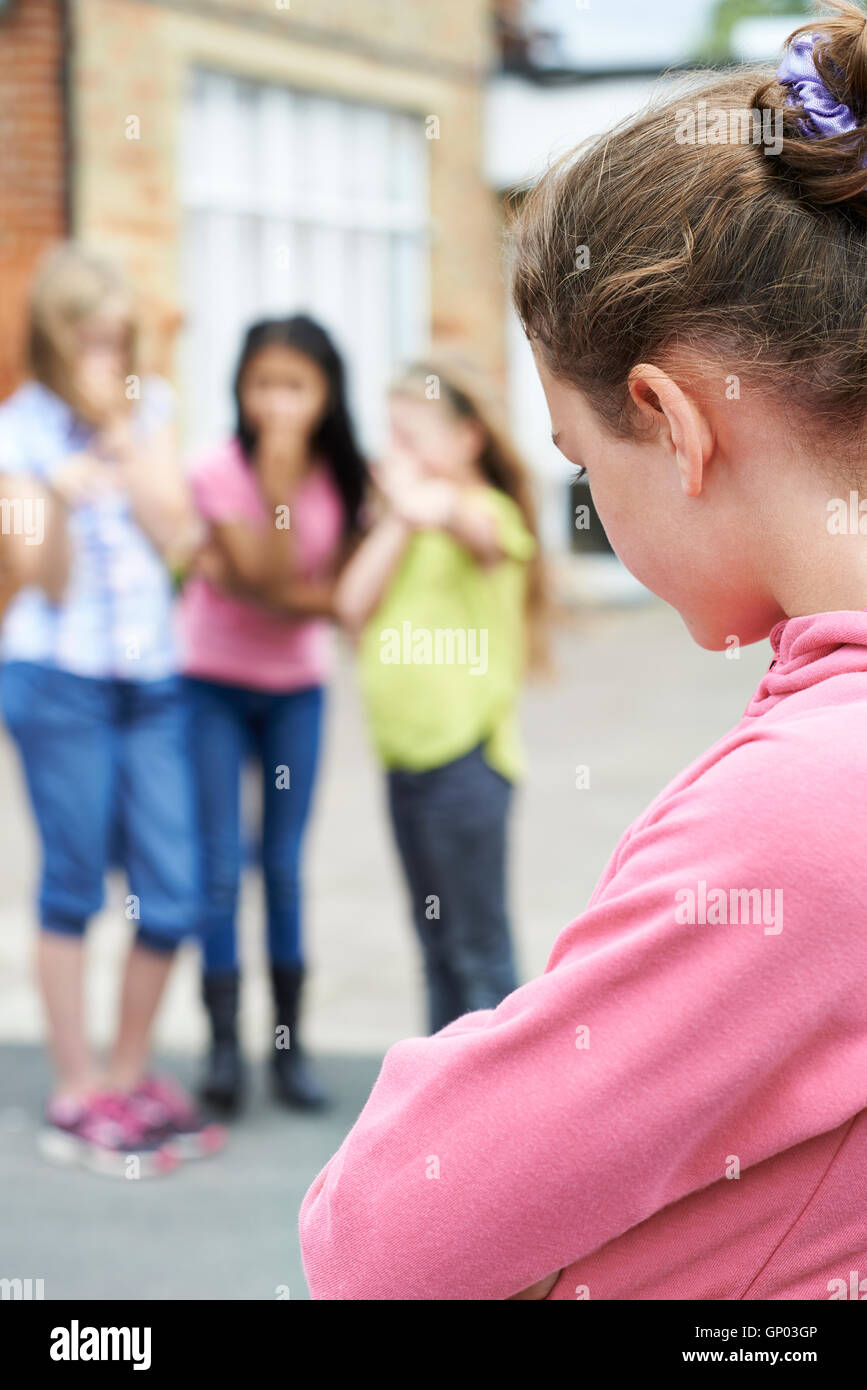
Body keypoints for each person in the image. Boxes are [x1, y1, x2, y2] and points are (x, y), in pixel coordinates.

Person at [299, 4, 867, 1298]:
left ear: (670, 422)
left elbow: (378, 1237)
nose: (585, 500)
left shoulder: (801, 808)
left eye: (577, 458)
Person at [0, 242, 223, 1177]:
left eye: (117, 340)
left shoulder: (153, 408)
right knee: (73, 883)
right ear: (56, 343)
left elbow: (184, 541)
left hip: (154, 681)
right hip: (60, 680)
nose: (107, 358)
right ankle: (75, 1090)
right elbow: (35, 580)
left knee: (173, 887)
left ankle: (127, 1075)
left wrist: (130, 459)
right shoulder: (17, 430)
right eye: (91, 342)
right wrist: (52, 494)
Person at [180, 316, 366, 1113]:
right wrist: (278, 481)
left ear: (326, 393)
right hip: (211, 683)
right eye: (263, 386)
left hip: (295, 691)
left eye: (295, 386)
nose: (277, 404)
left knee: (282, 867)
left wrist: (262, 587)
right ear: (239, 390)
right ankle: (224, 1050)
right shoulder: (217, 469)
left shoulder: (351, 477)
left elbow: (335, 599)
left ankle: (288, 1048)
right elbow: (277, 569)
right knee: (219, 867)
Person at [335, 358, 546, 1035]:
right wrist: (401, 517)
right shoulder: (404, 522)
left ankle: (508, 1110)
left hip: (465, 765)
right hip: (404, 764)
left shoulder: (484, 510)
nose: (396, 454)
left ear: (466, 440)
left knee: (478, 950)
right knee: (433, 947)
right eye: (390, 437)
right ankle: (441, 1097)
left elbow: (485, 537)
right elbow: (349, 606)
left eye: (412, 437)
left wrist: (433, 505)